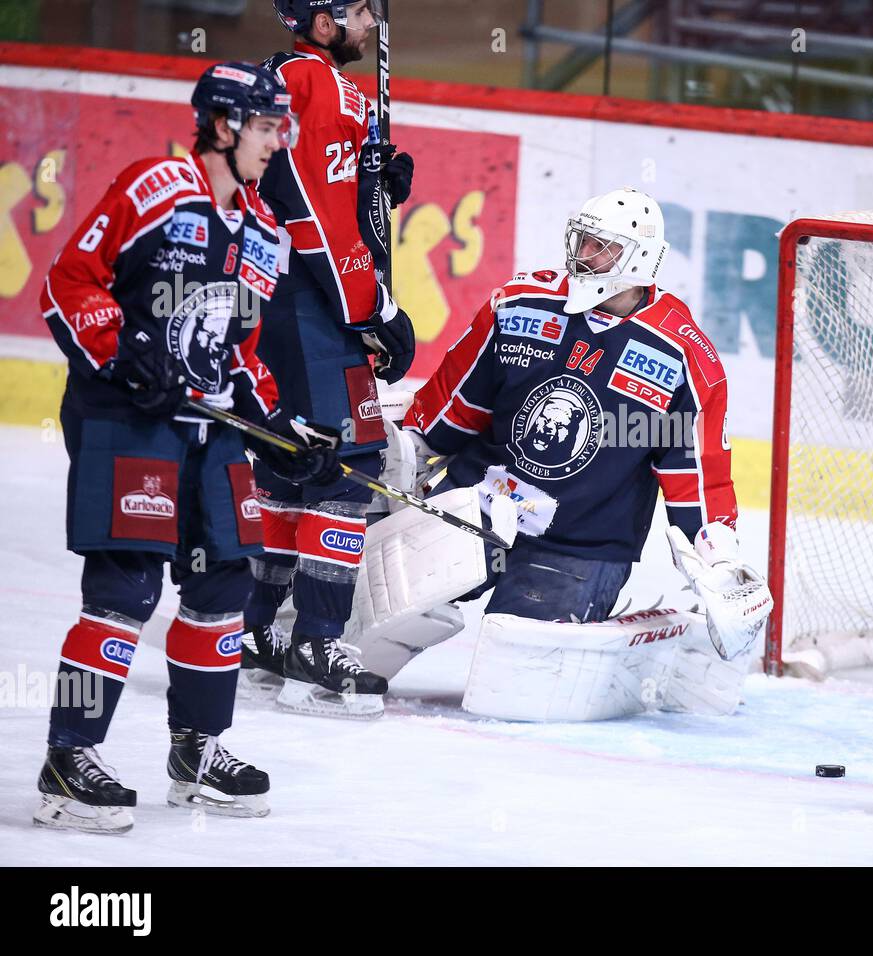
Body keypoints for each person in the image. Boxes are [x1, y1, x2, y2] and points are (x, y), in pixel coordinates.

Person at [241, 187, 773, 720]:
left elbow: (693, 477)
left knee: (515, 682)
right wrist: (404, 455)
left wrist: (718, 558)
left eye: (598, 246)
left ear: (637, 258)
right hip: (480, 506)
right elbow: (453, 404)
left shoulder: (679, 354)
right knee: (377, 621)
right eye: (580, 239)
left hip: (580, 544)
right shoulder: (520, 305)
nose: (580, 254)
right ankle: (288, 646)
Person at [34, 62, 340, 833]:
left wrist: (284, 430)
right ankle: (68, 758)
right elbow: (70, 282)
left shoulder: (266, 234)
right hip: (126, 417)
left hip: (208, 431)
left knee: (222, 588)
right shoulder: (158, 189)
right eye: (268, 128)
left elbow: (237, 354)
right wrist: (122, 347)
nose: (279, 143)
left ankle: (197, 750)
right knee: (125, 591)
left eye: (282, 129)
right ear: (225, 124)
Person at [242, 0, 417, 718]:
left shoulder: (285, 80)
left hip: (280, 297)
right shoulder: (318, 84)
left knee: (291, 462)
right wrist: (371, 306)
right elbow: (311, 208)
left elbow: (325, 193)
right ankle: (315, 641)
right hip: (311, 301)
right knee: (349, 466)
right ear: (319, 23)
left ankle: (258, 629)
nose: (373, 23)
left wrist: (375, 188)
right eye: (357, 11)